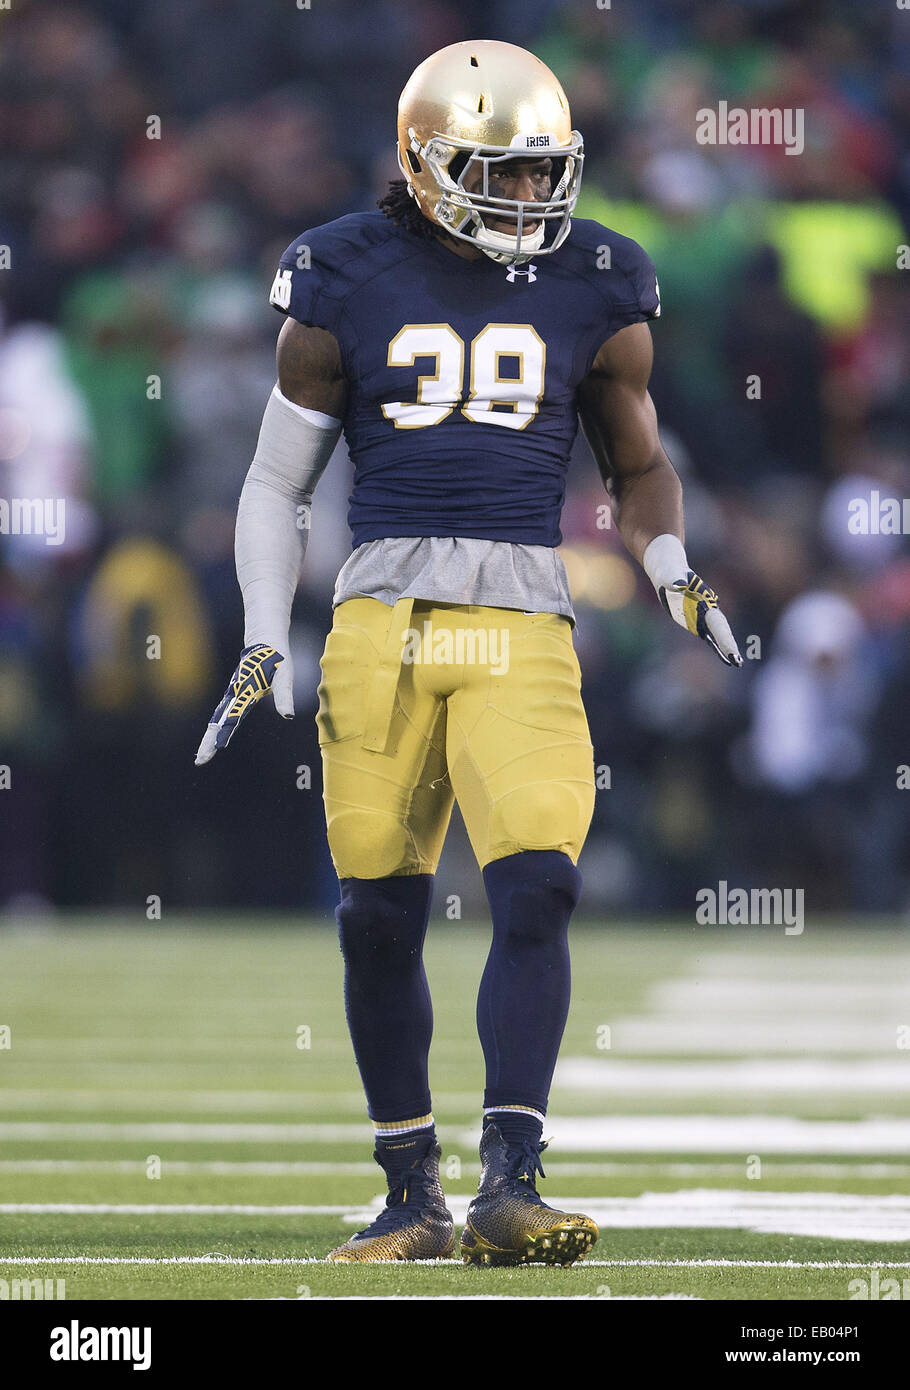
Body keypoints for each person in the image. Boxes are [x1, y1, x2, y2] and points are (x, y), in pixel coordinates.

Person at [195, 39, 741, 1267]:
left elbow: (637, 465)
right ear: (424, 161)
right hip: (379, 620)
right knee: (376, 916)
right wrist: (257, 631)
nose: (529, 198)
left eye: (544, 172)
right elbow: (278, 480)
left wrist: (672, 569)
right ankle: (409, 1194)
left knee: (539, 881)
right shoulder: (342, 270)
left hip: (524, 618)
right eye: (498, 170)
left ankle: (512, 1179)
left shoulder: (600, 278)